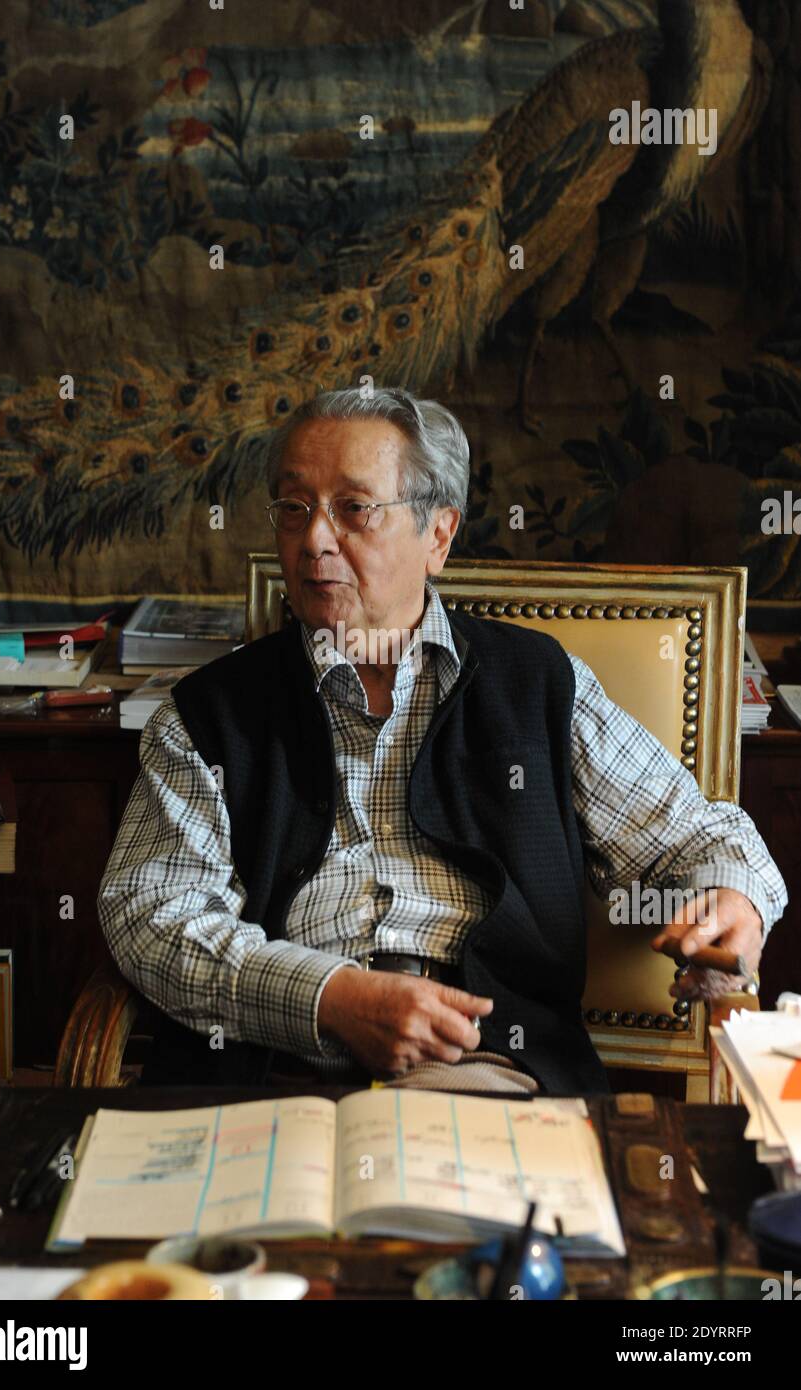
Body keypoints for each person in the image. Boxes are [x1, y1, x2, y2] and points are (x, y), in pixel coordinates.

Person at [98, 386, 787, 1095]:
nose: (312, 540)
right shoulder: (206, 714)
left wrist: (729, 901)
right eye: (293, 507)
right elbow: (151, 915)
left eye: (353, 509)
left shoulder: (538, 686)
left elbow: (700, 838)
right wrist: (327, 999)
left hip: (486, 1072)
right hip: (266, 1077)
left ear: (438, 535)